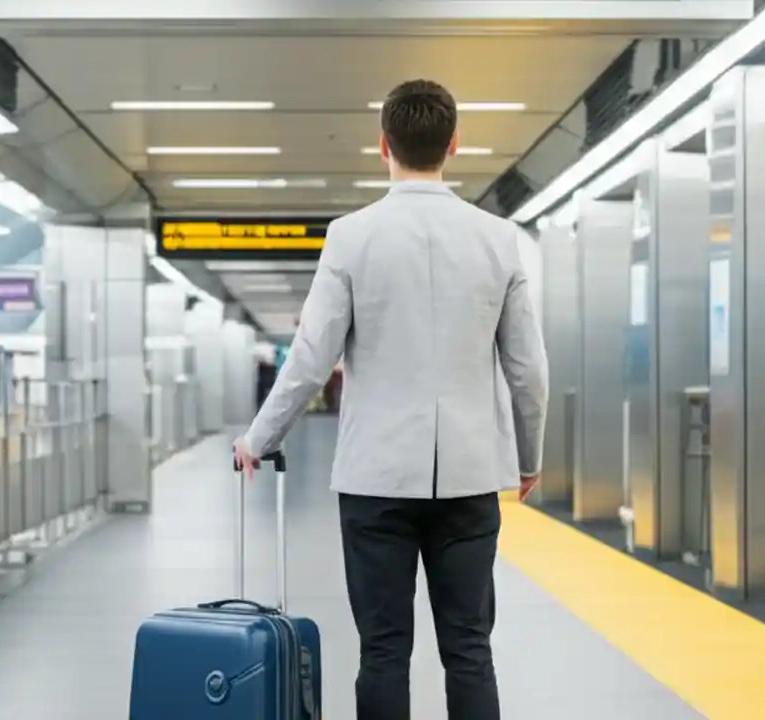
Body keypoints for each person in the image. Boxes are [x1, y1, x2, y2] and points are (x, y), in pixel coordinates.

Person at [234, 79, 549, 720]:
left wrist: (258, 439)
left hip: (375, 480)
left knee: (382, 652)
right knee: (469, 649)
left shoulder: (351, 237)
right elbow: (528, 368)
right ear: (453, 144)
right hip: (467, 479)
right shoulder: (497, 238)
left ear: (384, 145)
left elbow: (311, 357)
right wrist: (528, 456)